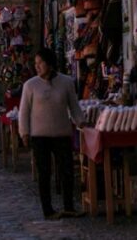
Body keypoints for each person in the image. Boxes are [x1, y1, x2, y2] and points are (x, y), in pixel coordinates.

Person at [18, 48, 85, 220]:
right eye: (36, 63)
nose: (37, 66)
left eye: (40, 63)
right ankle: (48, 210)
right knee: (44, 172)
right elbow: (24, 111)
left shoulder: (66, 82)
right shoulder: (30, 85)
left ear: (50, 64)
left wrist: (81, 122)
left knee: (66, 171)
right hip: (40, 136)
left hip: (62, 133)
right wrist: (24, 132)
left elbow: (74, 106)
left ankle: (69, 206)